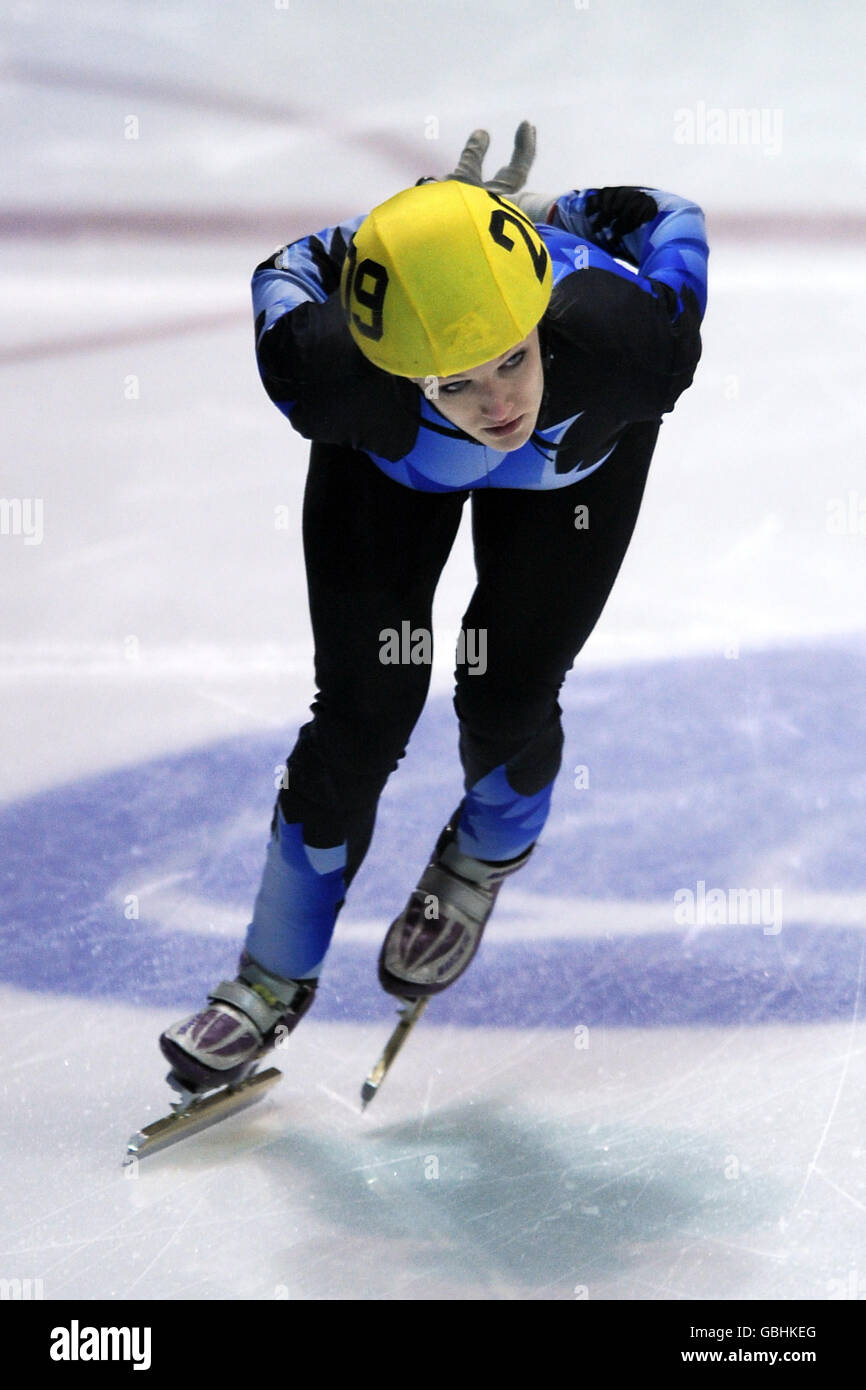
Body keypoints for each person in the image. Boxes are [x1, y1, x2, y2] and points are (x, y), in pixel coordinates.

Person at [159, 123, 708, 1095]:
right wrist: (396, 237)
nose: (496, 404)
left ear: (539, 315)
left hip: (569, 482)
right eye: (455, 383)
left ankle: (475, 861)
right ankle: (266, 978)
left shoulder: (625, 341)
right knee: (362, 716)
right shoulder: (331, 370)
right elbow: (282, 271)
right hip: (393, 469)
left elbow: (669, 217)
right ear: (402, 368)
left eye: (506, 359)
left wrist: (542, 215)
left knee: (503, 691)